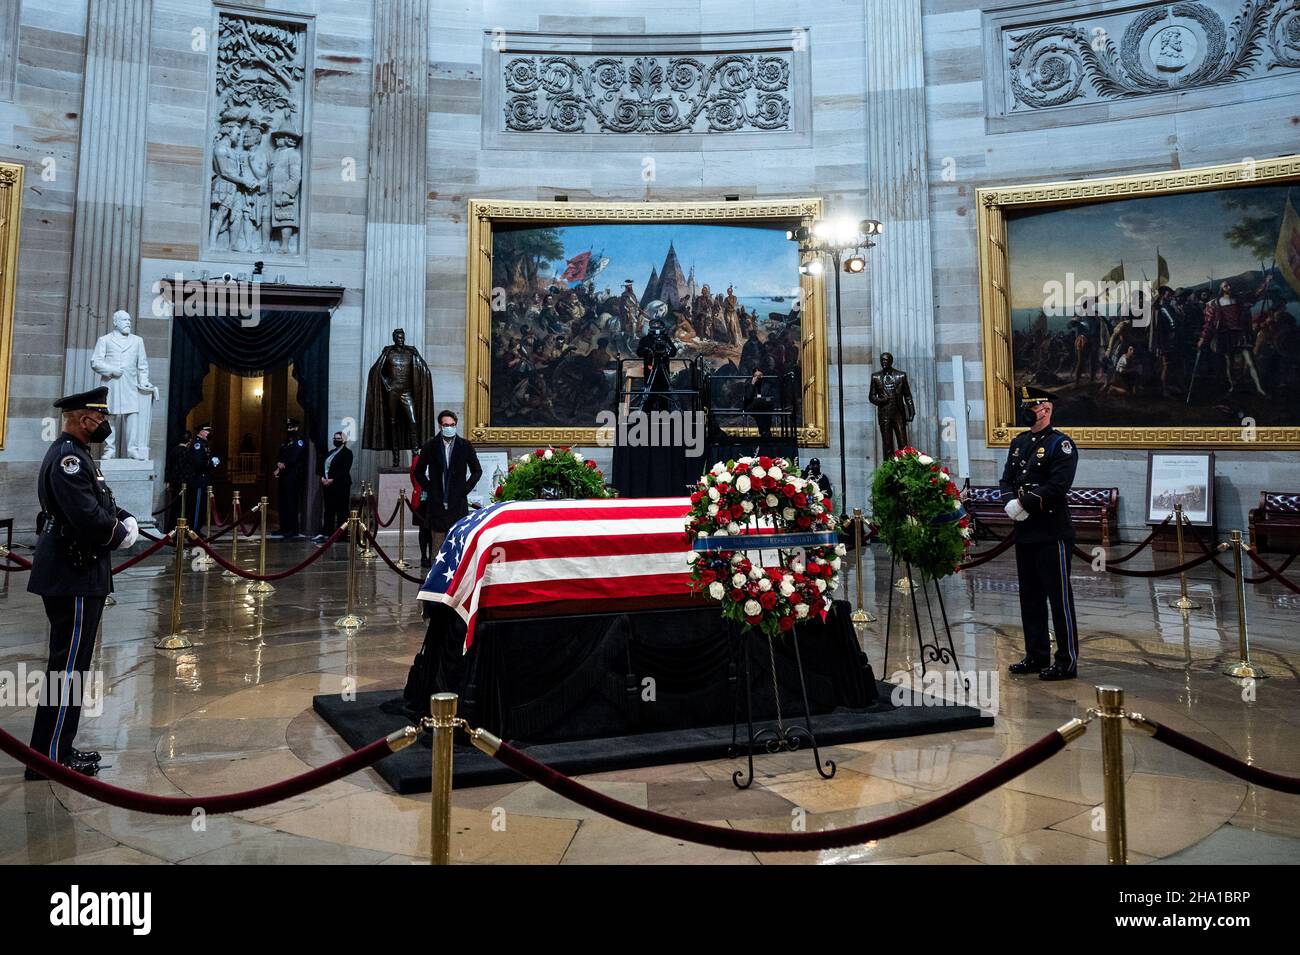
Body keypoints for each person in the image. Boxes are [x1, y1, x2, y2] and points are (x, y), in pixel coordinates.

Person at [25, 387, 139, 780]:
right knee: (68, 667)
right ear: (83, 419)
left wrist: (123, 517)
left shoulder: (78, 456)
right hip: (73, 574)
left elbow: (100, 500)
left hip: (78, 572)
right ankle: (50, 758)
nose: (104, 425)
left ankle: (56, 749)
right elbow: (87, 517)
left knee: (72, 666)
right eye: (99, 418)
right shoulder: (69, 458)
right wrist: (117, 534)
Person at [999, 386, 1079, 681]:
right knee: (1030, 596)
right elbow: (1007, 477)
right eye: (1025, 406)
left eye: (1031, 407)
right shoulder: (1019, 442)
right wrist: (1009, 501)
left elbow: (1058, 487)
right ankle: (1036, 654)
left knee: (1058, 598)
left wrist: (1024, 503)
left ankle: (1067, 660)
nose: (1026, 411)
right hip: (1025, 532)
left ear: (1046, 410)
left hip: (1051, 531)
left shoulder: (1062, 445)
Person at [416, 411, 482, 556]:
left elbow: (477, 471)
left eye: (452, 425)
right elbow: (418, 472)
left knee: (457, 550)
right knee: (437, 552)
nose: (449, 428)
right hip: (437, 505)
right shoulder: (430, 446)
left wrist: (465, 489)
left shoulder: (465, 445)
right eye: (446, 425)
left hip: (457, 504)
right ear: (440, 426)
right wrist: (430, 488)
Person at [315, 430, 352, 543]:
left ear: (343, 440)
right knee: (329, 510)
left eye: (338, 439)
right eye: (334, 438)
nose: (335, 440)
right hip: (328, 485)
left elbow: (345, 469)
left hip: (340, 485)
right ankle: (327, 533)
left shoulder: (347, 453)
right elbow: (322, 464)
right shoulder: (331, 452)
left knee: (341, 511)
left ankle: (341, 535)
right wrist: (322, 477)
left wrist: (333, 479)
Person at [272, 418, 307, 539]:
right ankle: (284, 527)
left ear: (296, 428)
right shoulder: (286, 442)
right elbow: (280, 455)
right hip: (283, 474)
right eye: (288, 427)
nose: (289, 429)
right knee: (283, 502)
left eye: (291, 427)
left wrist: (283, 465)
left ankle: (293, 529)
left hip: (292, 475)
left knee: (291, 502)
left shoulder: (299, 442)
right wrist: (278, 464)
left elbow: (295, 457)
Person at [183, 423, 220, 531]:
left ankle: (197, 529)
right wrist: (211, 463)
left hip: (204, 479)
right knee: (197, 507)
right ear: (201, 432)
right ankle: (193, 530)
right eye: (207, 431)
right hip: (199, 479)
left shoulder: (205, 444)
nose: (209, 433)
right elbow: (198, 463)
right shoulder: (198, 445)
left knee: (202, 507)